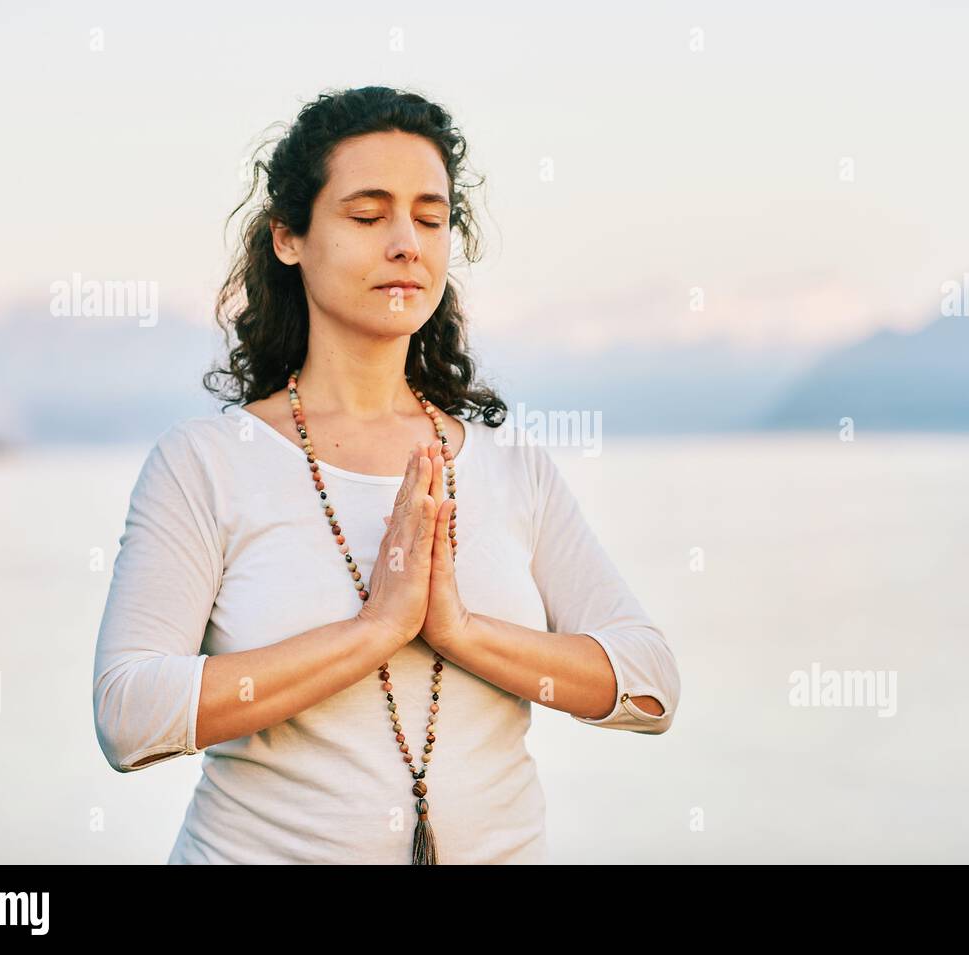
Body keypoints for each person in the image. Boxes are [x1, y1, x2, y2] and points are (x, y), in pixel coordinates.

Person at [91, 86, 680, 864]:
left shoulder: (511, 467)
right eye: (368, 216)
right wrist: (374, 630)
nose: (406, 242)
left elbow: (648, 685)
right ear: (288, 237)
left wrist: (459, 631)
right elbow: (129, 715)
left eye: (430, 218)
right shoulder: (206, 464)